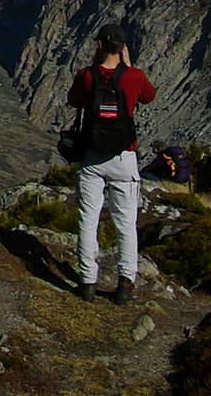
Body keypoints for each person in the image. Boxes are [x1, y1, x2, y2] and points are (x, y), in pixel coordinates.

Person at [67, 24, 155, 305]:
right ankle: (125, 284)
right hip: (124, 158)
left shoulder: (86, 75)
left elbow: (73, 100)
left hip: (92, 158)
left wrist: (94, 68)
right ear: (123, 47)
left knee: (88, 220)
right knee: (126, 224)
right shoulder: (135, 77)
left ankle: (88, 283)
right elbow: (149, 96)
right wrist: (129, 66)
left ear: (100, 46)